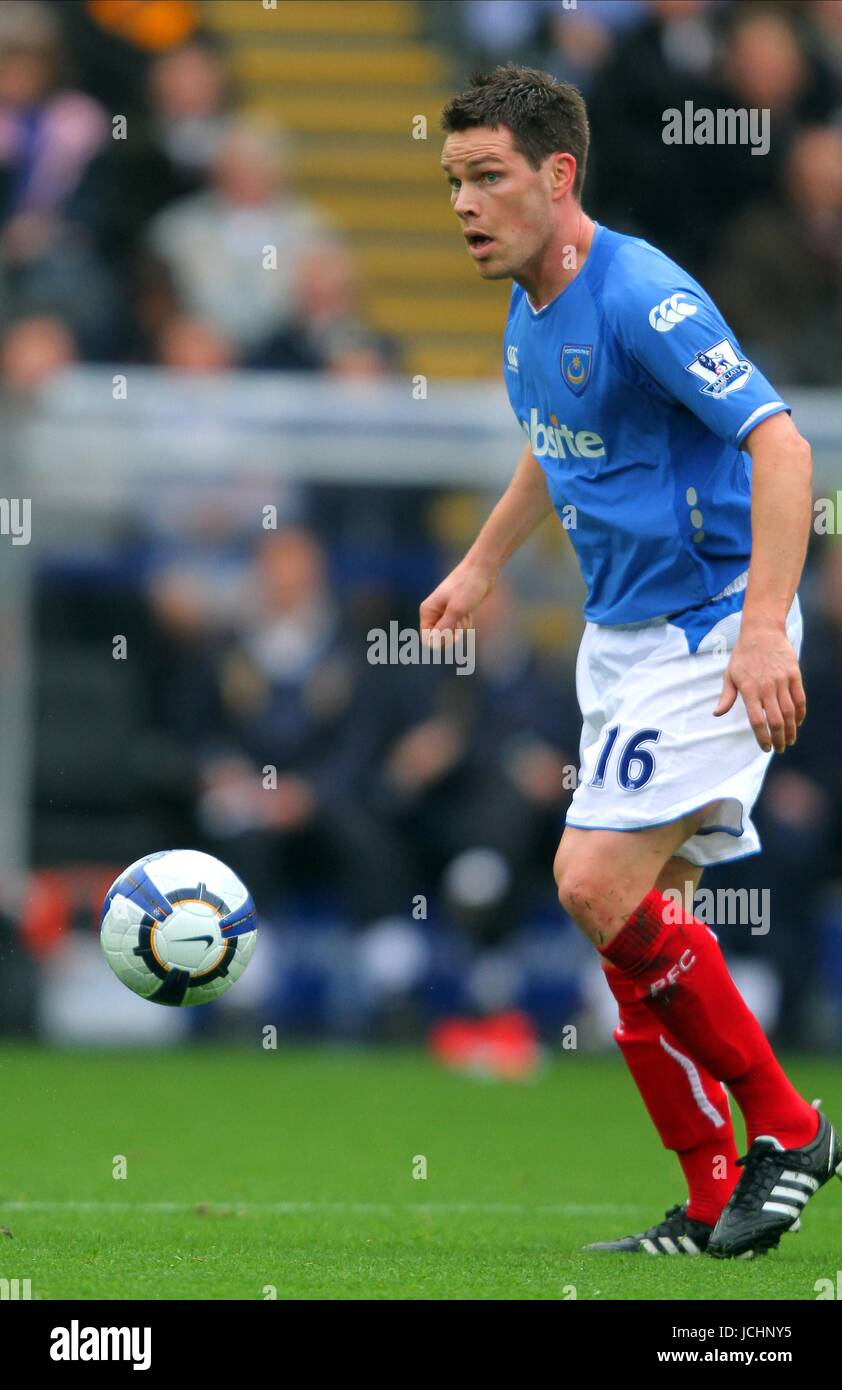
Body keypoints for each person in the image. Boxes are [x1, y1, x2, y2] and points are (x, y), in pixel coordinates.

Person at [421, 63, 839, 1259]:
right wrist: (484, 564)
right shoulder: (528, 307)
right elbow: (557, 450)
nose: (464, 203)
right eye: (453, 179)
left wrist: (762, 626)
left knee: (591, 886)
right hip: (621, 641)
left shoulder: (642, 295)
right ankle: (712, 1200)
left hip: (708, 631)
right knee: (640, 924)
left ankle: (790, 1126)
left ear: (557, 176)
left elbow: (782, 446)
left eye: (487, 177)